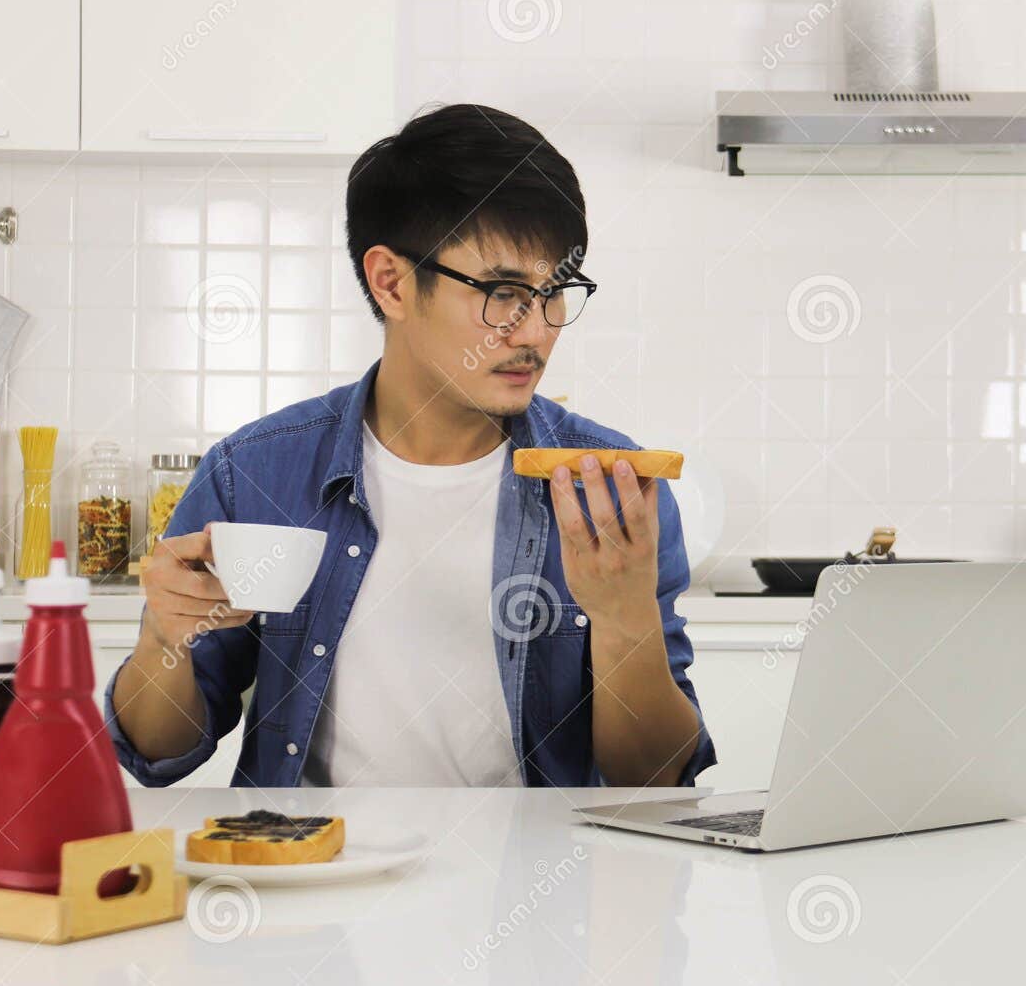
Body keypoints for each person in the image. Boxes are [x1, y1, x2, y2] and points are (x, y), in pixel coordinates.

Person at [106, 103, 715, 789]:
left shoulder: (610, 490)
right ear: (391, 281)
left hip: (542, 889)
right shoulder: (255, 474)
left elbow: (658, 779)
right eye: (506, 292)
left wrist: (625, 618)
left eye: (556, 293)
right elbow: (159, 752)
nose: (537, 331)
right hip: (316, 877)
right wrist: (163, 639)